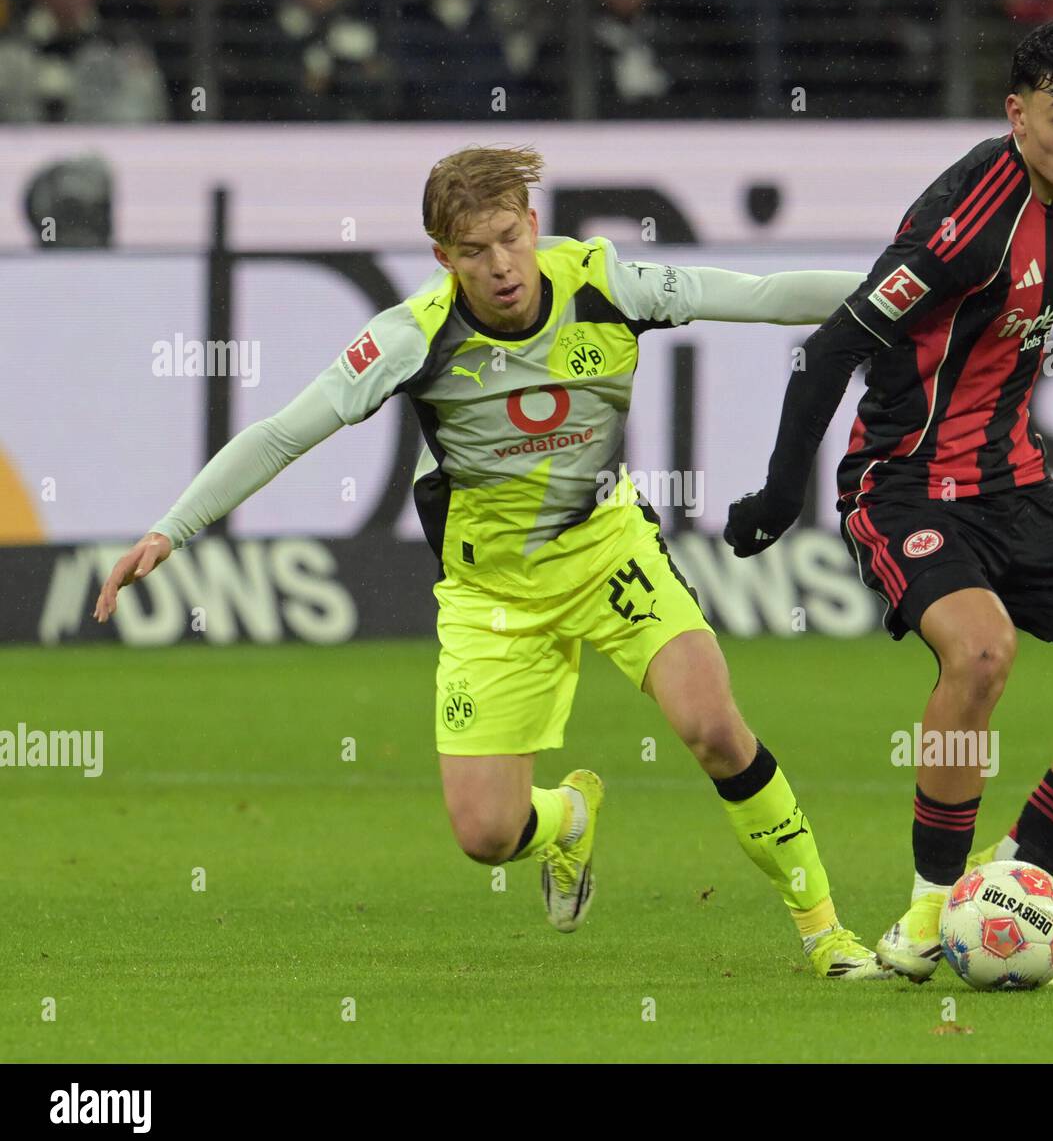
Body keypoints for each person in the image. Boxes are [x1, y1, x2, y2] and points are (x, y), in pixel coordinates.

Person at [94, 144, 891, 981]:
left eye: (510, 237)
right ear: (444, 257)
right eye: (474, 250)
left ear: (533, 225)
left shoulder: (606, 285)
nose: (501, 265)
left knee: (713, 729)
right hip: (489, 594)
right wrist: (171, 530)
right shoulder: (413, 338)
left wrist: (911, 290)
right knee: (485, 836)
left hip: (606, 552)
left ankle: (827, 935)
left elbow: (763, 298)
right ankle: (569, 819)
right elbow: (285, 433)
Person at [725, 16, 1053, 984]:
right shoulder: (964, 221)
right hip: (905, 485)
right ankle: (924, 909)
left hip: (1017, 483)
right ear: (1016, 110)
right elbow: (834, 345)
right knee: (983, 649)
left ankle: (1012, 876)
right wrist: (779, 495)